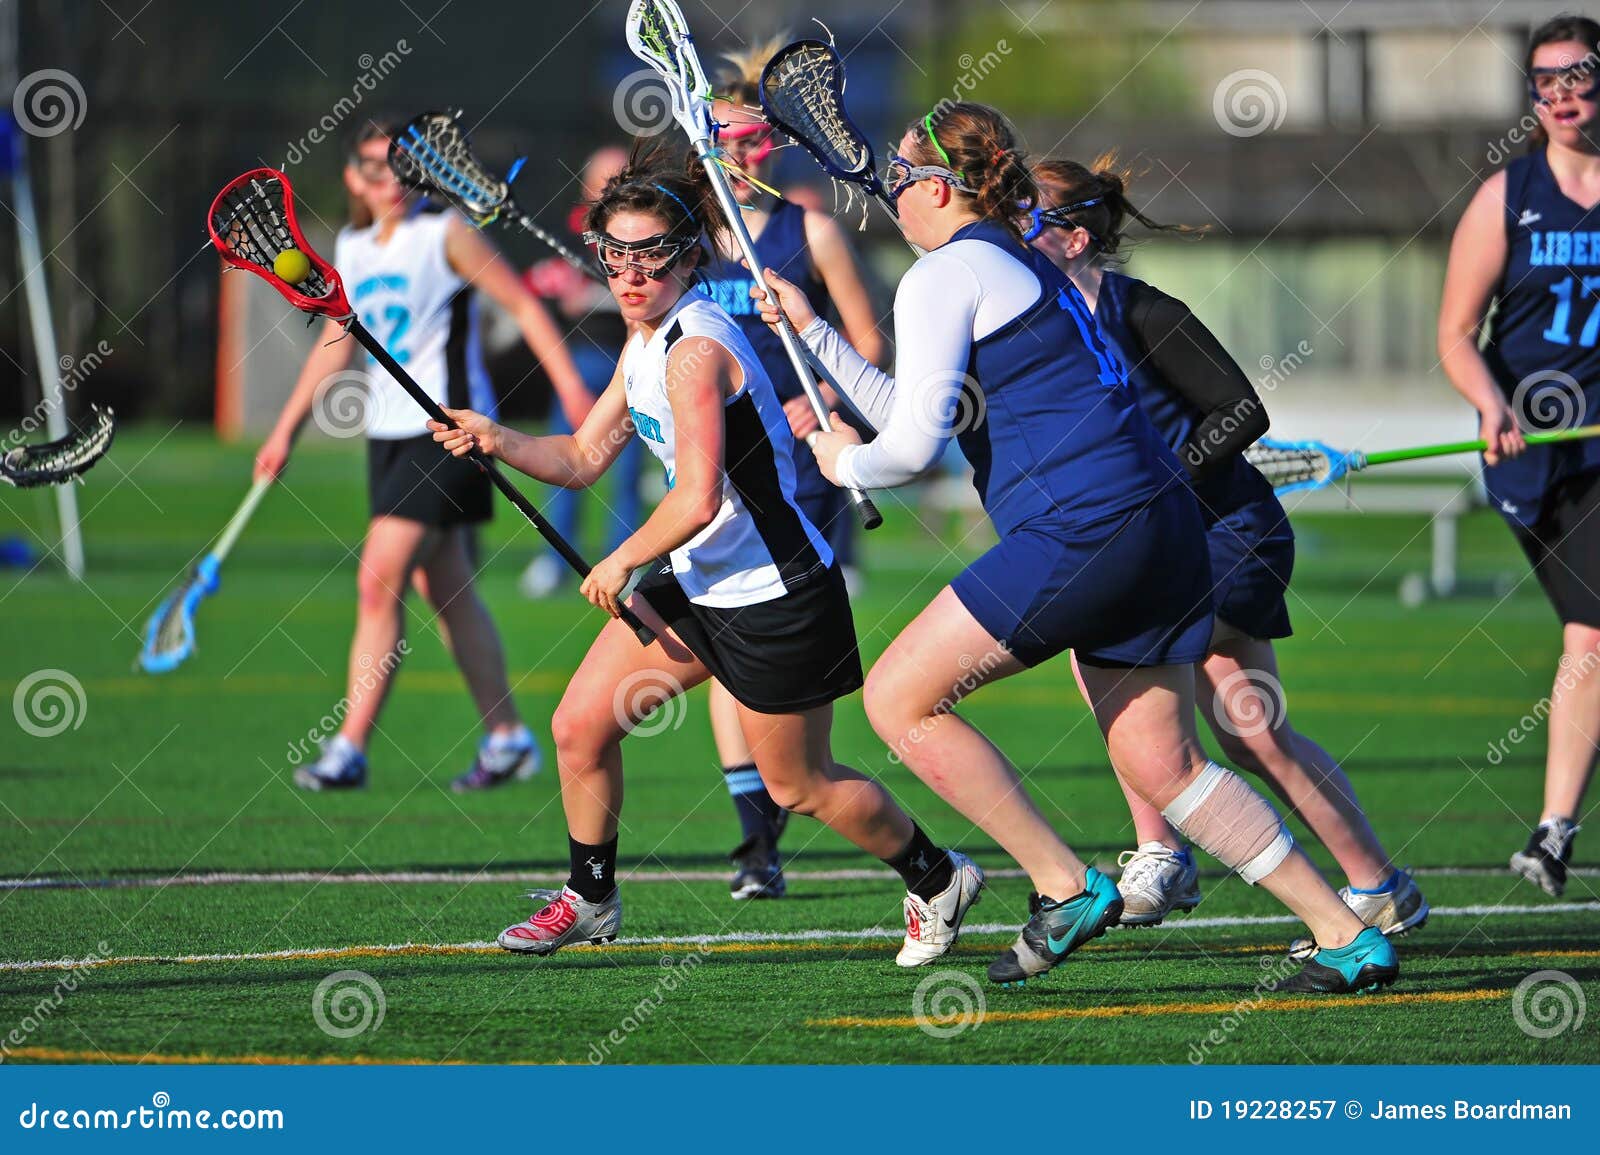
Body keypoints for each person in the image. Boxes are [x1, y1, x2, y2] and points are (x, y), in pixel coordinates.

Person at [758, 101, 1399, 992]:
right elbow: (914, 407)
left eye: (899, 179)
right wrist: (811, 330)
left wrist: (840, 457)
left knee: (899, 700)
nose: (888, 197)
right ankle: (1344, 934)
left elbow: (907, 451)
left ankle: (1064, 884)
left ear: (938, 186)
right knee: (1163, 765)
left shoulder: (945, 274)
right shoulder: (1014, 259)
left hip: (1084, 525)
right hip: (1164, 526)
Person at [428, 147, 982, 962]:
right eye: (614, 253)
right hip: (701, 583)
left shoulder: (694, 351)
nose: (628, 271)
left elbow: (698, 497)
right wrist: (496, 436)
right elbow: (584, 457)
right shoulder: (641, 345)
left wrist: (619, 562)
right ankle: (590, 898)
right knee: (580, 725)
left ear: (689, 255)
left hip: (776, 594)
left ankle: (937, 875)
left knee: (801, 785)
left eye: (649, 252)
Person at [1029, 155, 1429, 946]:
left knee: (1108, 650)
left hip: (1227, 534)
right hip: (1166, 546)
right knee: (1252, 732)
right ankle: (1380, 888)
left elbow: (1240, 409)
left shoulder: (1143, 311)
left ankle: (1162, 852)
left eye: (1025, 219)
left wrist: (1167, 479)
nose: (1006, 231)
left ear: (1075, 238)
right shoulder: (1037, 326)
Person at [255, 118, 589, 793]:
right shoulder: (351, 247)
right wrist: (286, 429)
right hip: (388, 435)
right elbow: (338, 347)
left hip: (448, 431)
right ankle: (507, 738)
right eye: (378, 171)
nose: (394, 185)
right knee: (447, 590)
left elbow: (523, 305)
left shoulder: (445, 233)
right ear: (354, 178)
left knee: (377, 578)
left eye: (404, 171)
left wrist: (574, 387)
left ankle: (348, 747)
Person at [697, 42, 891, 900]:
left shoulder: (806, 229)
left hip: (805, 466)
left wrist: (829, 399)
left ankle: (793, 795)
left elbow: (868, 337)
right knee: (719, 643)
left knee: (793, 652)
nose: (742, 155)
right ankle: (754, 842)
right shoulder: (692, 237)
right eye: (726, 141)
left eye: (753, 141)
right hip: (716, 467)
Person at [1439, 15, 1600, 897]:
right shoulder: (1511, 195)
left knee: (1594, 627)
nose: (1564, 94)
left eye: (1580, 75)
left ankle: (1553, 828)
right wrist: (1491, 400)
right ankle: (1555, 827)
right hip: (1535, 452)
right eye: (1546, 81)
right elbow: (1457, 334)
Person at [519, 146, 647, 599]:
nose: (611, 185)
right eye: (603, 177)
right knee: (564, 459)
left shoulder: (638, 230)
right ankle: (556, 561)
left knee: (628, 470)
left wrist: (598, 297)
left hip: (626, 358)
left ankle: (623, 560)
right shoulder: (572, 233)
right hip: (578, 361)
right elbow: (540, 287)